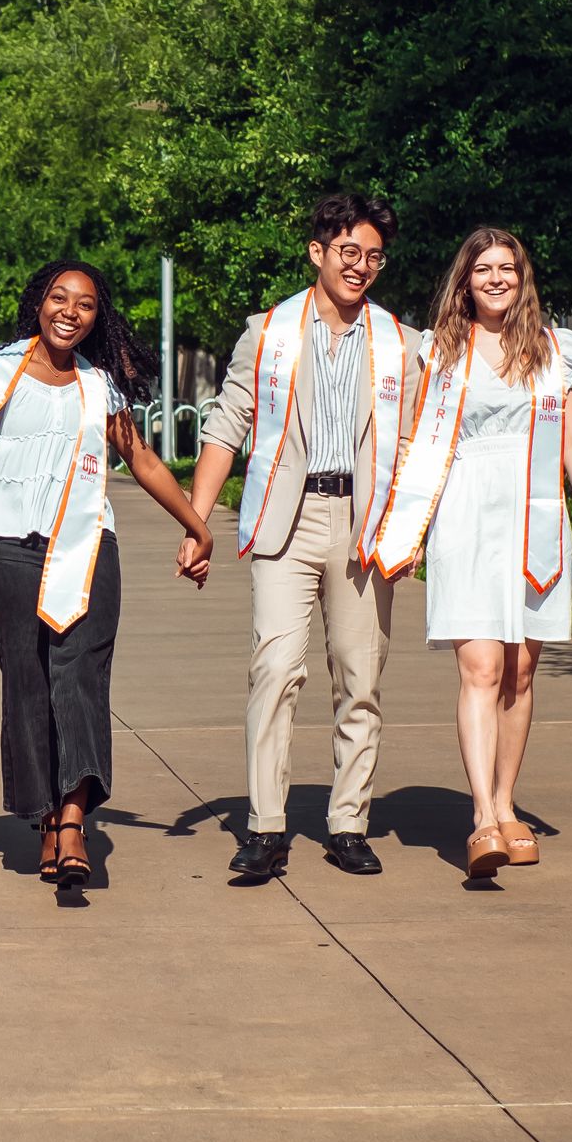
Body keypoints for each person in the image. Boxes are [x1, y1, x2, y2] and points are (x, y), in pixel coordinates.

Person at [0, 260, 214, 886]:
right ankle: (46, 815)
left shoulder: (99, 386)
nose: (70, 312)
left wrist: (197, 524)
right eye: (59, 297)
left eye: (84, 304)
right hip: (13, 553)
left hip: (87, 547)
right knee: (28, 682)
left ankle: (74, 822)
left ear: (96, 317)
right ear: (39, 301)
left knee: (80, 677)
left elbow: (142, 459)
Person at [187, 193, 425, 880]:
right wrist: (196, 523)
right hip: (286, 523)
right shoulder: (267, 333)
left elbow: (411, 442)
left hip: (363, 523)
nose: (361, 266)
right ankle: (265, 825)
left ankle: (349, 822)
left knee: (360, 676)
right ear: (318, 251)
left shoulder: (397, 342)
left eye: (374, 256)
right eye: (348, 252)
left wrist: (408, 531)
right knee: (275, 667)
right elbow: (227, 426)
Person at [370, 227, 572, 879]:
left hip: (535, 515)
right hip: (466, 515)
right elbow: (414, 440)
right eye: (484, 270)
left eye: (507, 267)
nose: (496, 278)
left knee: (520, 671)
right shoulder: (439, 351)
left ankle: (507, 805)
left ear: (522, 276)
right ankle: (481, 819)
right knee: (479, 667)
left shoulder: (558, 351)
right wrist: (405, 525)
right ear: (465, 281)